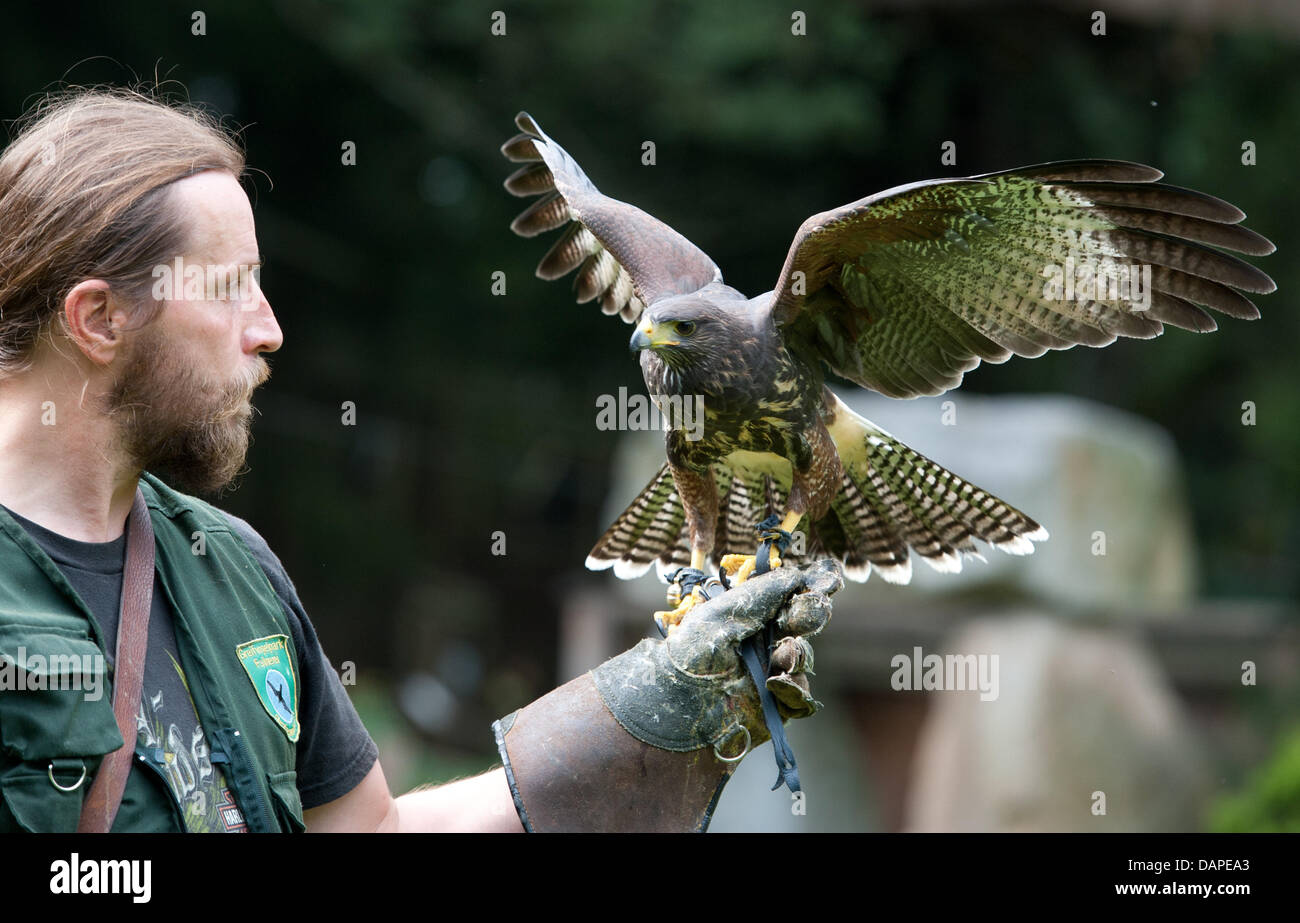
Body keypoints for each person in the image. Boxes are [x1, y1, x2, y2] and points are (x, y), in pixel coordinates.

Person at [0, 88, 834, 833]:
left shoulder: (227, 570)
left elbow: (373, 831)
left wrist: (656, 704)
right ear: (99, 319)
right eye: (229, 289)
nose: (268, 330)